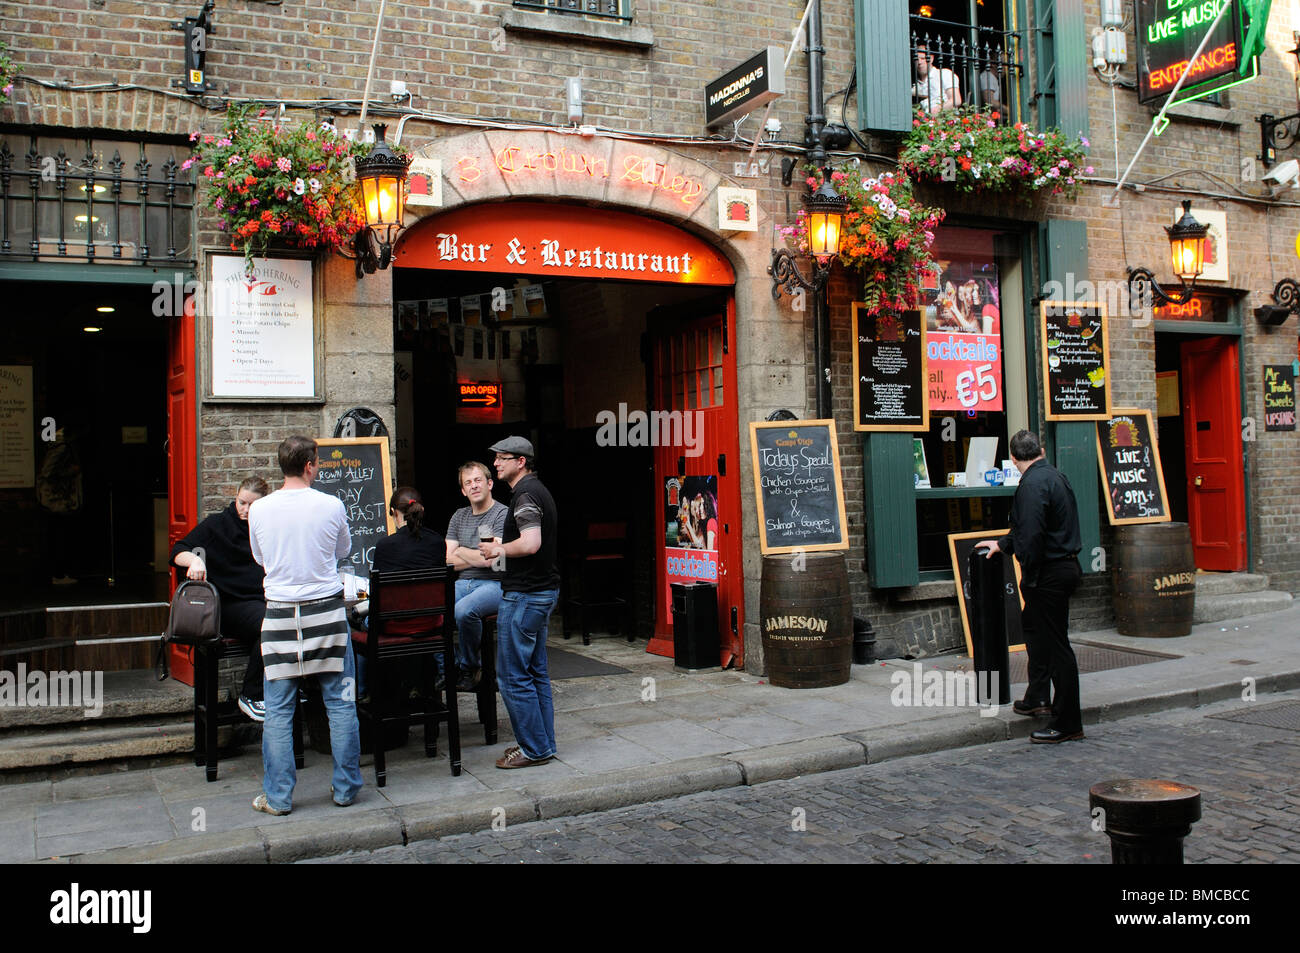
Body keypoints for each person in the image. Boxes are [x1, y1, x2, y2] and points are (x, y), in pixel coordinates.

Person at [247, 435, 361, 814]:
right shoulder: (331, 505)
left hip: (280, 613)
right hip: (326, 613)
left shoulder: (260, 509)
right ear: (311, 464)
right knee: (341, 704)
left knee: (279, 710)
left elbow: (260, 558)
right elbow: (343, 551)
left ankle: (278, 798)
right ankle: (345, 790)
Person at [976, 430, 1084, 744]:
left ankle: (1067, 723)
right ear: (1041, 449)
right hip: (1063, 566)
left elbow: (1032, 535)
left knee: (1056, 646)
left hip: (1048, 573)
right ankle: (1038, 697)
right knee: (1037, 634)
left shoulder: (1032, 484)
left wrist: (1029, 572)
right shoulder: (1054, 476)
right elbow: (1036, 528)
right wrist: (1003, 543)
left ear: (1012, 458)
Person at [478, 436, 560, 769]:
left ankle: (534, 748)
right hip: (540, 592)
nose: (495, 463)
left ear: (521, 461)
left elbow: (531, 543)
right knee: (536, 672)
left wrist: (500, 549)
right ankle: (542, 744)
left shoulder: (526, 494)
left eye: (501, 458)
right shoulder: (535, 492)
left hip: (525, 595)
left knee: (512, 676)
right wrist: (503, 542)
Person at [171, 476, 271, 721]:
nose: (245, 510)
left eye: (252, 505)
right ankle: (252, 694)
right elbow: (177, 550)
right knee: (271, 624)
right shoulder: (218, 525)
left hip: (262, 601)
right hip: (227, 606)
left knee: (291, 620)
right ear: (236, 497)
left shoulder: (268, 528)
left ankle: (286, 690)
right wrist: (194, 560)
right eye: (242, 502)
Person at [357, 486, 448, 697]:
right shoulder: (436, 542)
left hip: (393, 627)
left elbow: (377, 594)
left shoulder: (385, 545)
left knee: (360, 623)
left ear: (392, 512)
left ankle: (364, 694)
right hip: (431, 623)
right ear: (421, 509)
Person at [445, 462, 508, 692]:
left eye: (478, 480)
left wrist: (461, 550)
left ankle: (471, 667)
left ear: (490, 483)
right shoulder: (459, 517)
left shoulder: (502, 514)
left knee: (463, 611)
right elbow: (447, 560)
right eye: (468, 483)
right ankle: (447, 667)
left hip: (495, 584)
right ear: (463, 490)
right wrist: (474, 554)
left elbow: (492, 561)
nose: (474, 486)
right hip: (463, 582)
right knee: (433, 608)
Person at [914, 48, 961, 115]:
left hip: (945, 121)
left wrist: (937, 110)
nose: (919, 62)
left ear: (931, 59)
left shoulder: (944, 74)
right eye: (916, 59)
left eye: (923, 58)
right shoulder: (915, 84)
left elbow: (956, 100)